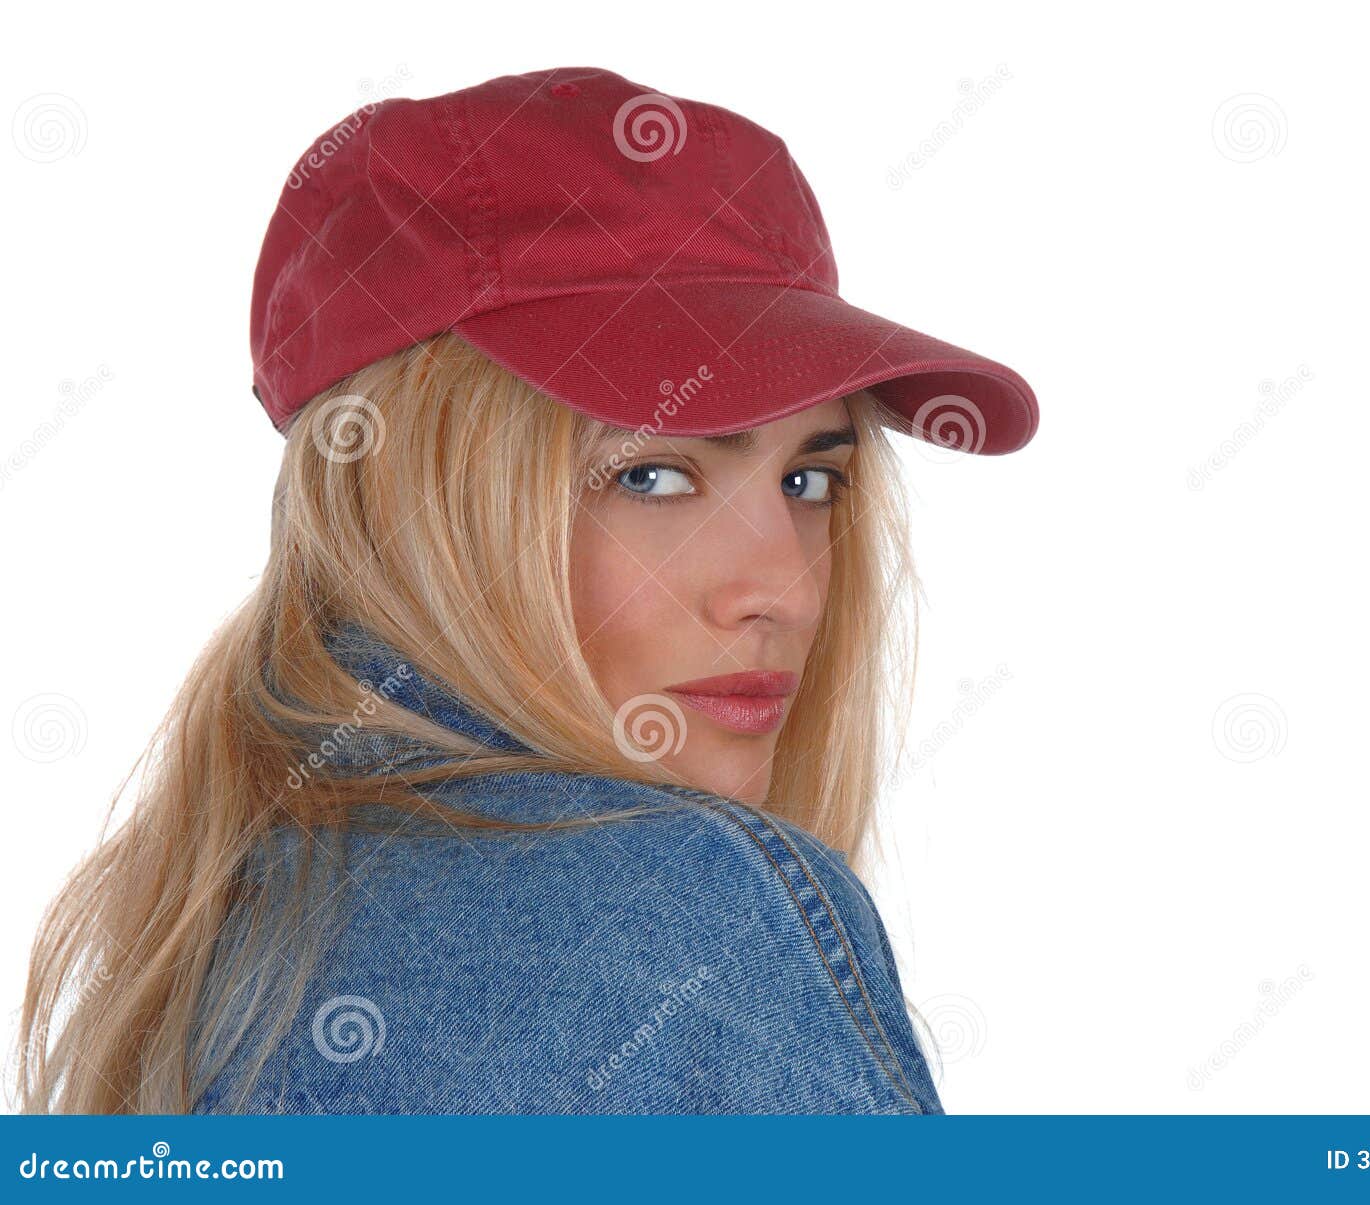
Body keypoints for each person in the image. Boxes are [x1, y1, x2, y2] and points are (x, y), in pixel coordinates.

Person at [15, 67, 1038, 1114]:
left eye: (810, 480)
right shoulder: (691, 908)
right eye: (650, 475)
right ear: (416, 498)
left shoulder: (207, 921)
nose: (783, 587)